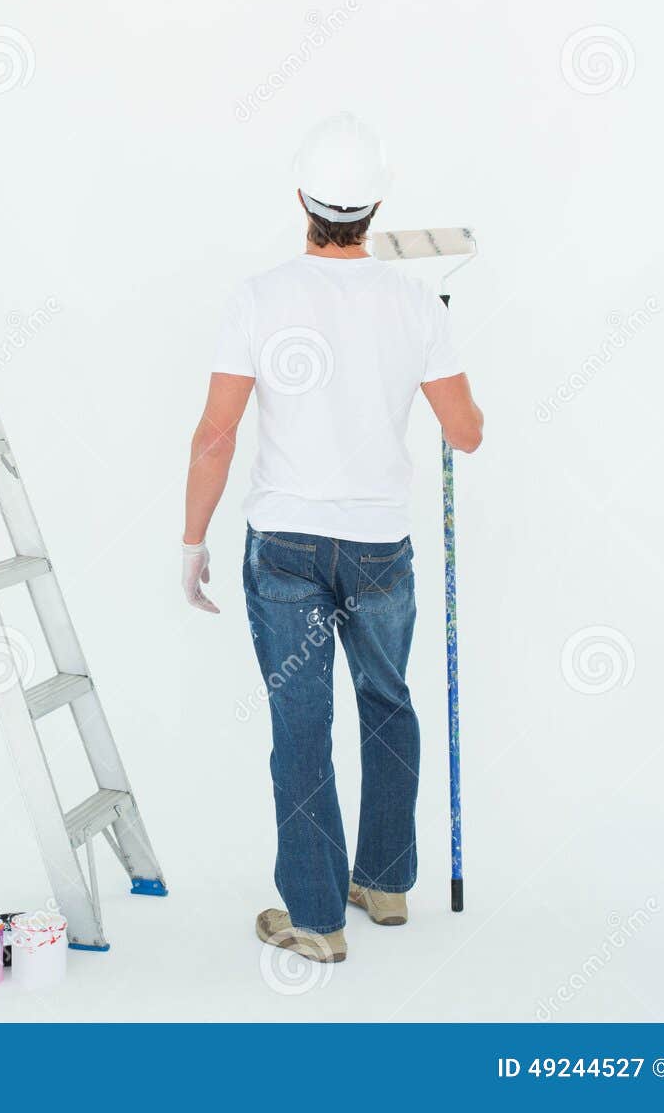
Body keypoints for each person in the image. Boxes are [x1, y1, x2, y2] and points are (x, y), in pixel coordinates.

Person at [180, 113, 483, 964]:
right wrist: (465, 404)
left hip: (284, 545)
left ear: (301, 200)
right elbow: (465, 432)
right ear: (375, 206)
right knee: (387, 700)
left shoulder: (260, 296)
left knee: (300, 718)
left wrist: (191, 540)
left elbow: (214, 435)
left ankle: (315, 916)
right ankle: (385, 881)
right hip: (382, 544)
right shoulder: (418, 302)